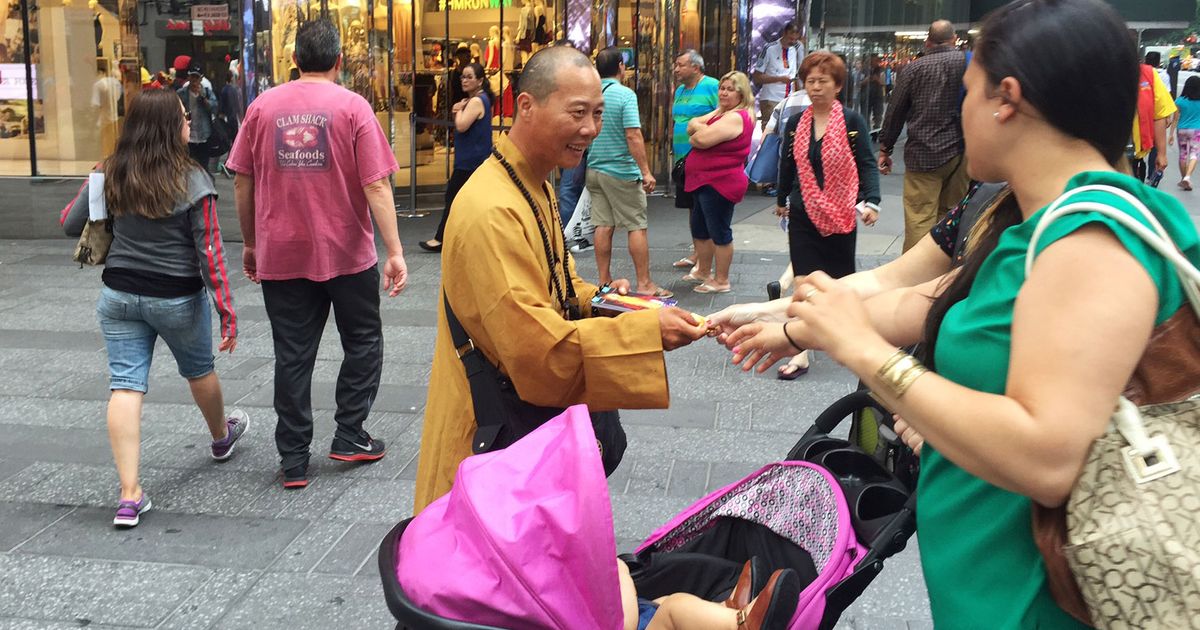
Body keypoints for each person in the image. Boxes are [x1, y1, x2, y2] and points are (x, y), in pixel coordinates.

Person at [730, 0, 1200, 626]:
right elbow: (922, 300)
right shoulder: (1038, 223)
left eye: (968, 91)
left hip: (1032, 597)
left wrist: (865, 355)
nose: (960, 110)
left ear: (1007, 98)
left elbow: (1046, 458)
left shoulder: (1091, 242)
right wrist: (796, 317)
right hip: (988, 583)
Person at [412, 45, 708, 512]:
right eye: (577, 113)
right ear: (526, 106)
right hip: (489, 450)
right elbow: (537, 351)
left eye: (597, 113)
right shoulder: (493, 207)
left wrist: (609, 301)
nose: (589, 128)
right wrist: (646, 332)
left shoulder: (532, 182)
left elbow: (556, 285)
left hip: (516, 446)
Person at [226, 19, 408, 489]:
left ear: (294, 61)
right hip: (347, 253)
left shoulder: (262, 108)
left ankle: (292, 459)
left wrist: (249, 242)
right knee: (363, 341)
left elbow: (242, 181)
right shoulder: (353, 107)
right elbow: (376, 184)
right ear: (339, 61)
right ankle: (349, 433)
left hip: (282, 254)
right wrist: (394, 250)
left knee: (292, 355)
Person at [61, 89, 245, 528]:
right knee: (199, 370)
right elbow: (211, 255)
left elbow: (69, 224)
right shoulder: (194, 179)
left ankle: (129, 496)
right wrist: (226, 312)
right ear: (170, 127)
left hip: (118, 295)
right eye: (184, 118)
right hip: (176, 297)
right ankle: (221, 437)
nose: (189, 124)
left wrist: (94, 185)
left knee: (125, 386)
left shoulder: (109, 171)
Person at [771, 51, 880, 379]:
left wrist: (872, 201)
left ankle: (840, 334)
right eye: (810, 81)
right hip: (803, 210)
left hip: (841, 213)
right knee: (804, 283)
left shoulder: (851, 122)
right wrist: (780, 197)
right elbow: (788, 163)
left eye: (823, 81)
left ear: (838, 86)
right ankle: (800, 351)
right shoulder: (795, 123)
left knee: (840, 283)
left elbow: (867, 163)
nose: (815, 87)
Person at [877, 19, 970, 252]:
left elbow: (895, 110)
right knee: (951, 213)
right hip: (962, 151)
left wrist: (885, 148)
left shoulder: (914, 68)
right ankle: (944, 273)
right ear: (954, 39)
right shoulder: (969, 64)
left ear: (927, 41)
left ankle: (916, 276)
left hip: (923, 152)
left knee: (919, 216)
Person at [585, 47, 667, 296]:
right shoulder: (624, 95)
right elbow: (633, 134)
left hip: (595, 168)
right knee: (636, 225)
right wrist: (645, 171)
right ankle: (645, 284)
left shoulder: (591, 94)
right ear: (621, 66)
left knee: (603, 225)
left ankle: (604, 281)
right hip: (621, 170)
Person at [681, 71, 755, 294]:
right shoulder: (723, 112)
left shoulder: (735, 116)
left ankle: (721, 280)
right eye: (722, 88)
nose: (723, 92)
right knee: (700, 228)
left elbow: (699, 138)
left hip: (720, 183)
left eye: (730, 89)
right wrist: (699, 131)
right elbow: (691, 125)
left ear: (741, 93)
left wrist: (699, 134)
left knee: (719, 231)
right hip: (703, 180)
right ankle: (704, 271)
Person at [419, 61, 494, 253]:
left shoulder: (476, 101)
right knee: (467, 201)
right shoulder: (478, 99)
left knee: (453, 197)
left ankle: (441, 239)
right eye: (463, 76)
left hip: (471, 162)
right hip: (473, 160)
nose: (464, 80)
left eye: (470, 77)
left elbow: (461, 125)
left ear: (480, 80)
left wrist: (456, 110)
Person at [670, 49, 720, 270]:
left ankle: (708, 256)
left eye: (680, 65)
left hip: (704, 157)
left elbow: (726, 113)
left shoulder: (712, 85)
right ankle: (697, 252)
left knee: (705, 206)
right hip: (683, 160)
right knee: (692, 206)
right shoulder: (680, 89)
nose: (676, 69)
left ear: (695, 67)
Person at [1131, 50, 1176, 183]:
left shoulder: (1148, 74)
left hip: (1134, 156)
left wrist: (1161, 153)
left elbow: (1159, 115)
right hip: (1100, 157)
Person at [751, 22, 803, 132]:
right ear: (784, 33)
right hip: (771, 99)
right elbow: (757, 77)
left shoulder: (796, 48)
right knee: (770, 132)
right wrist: (779, 79)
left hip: (789, 99)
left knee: (788, 132)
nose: (792, 42)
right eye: (790, 38)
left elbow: (798, 74)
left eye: (795, 39)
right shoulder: (769, 49)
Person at [177, 64, 218, 170]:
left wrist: (203, 97)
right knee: (188, 167)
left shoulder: (207, 92)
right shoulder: (181, 93)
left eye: (197, 77)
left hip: (204, 136)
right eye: (192, 77)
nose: (194, 80)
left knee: (203, 167)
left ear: (201, 78)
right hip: (188, 137)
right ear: (188, 77)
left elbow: (214, 108)